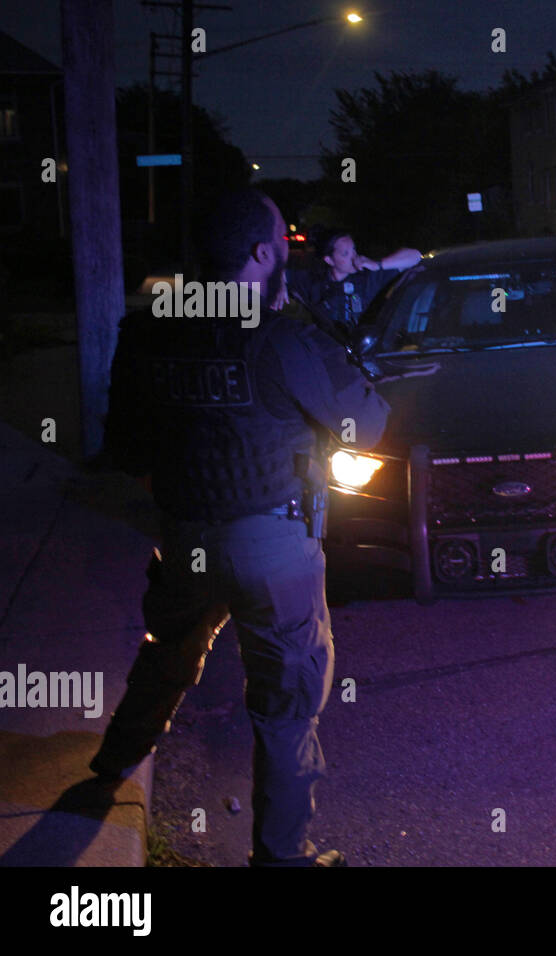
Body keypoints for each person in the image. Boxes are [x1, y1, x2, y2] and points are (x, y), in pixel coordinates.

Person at [90, 188, 392, 866]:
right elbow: (368, 423)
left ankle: (111, 766)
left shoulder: (150, 327)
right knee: (284, 707)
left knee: (167, 651)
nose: (289, 250)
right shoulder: (284, 336)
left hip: (185, 533)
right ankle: (281, 856)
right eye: (283, 241)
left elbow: (127, 449)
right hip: (273, 546)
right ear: (262, 253)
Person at [282, 229, 422, 341]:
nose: (353, 256)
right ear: (329, 260)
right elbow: (265, 273)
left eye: (354, 250)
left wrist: (379, 264)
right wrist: (280, 286)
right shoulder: (314, 282)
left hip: (366, 355)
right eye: (345, 254)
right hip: (330, 357)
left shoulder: (368, 276)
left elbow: (415, 256)